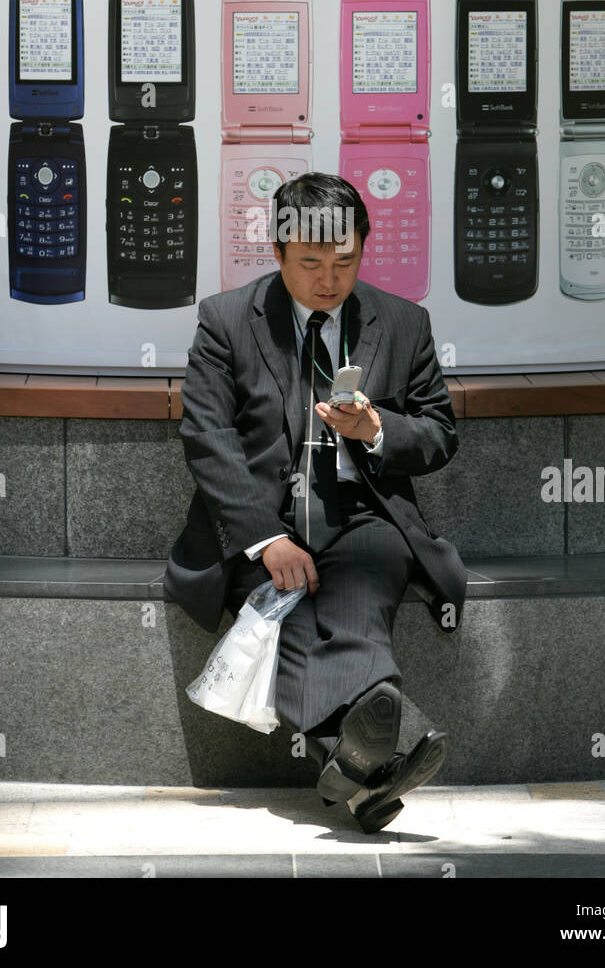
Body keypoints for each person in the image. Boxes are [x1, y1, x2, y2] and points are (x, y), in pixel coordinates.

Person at [164, 172, 466, 832]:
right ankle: (379, 745)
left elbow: (440, 433)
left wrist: (378, 429)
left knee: (358, 594)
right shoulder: (225, 321)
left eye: (344, 262)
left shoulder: (403, 322)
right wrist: (266, 539)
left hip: (363, 515)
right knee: (290, 608)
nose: (328, 280)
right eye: (308, 264)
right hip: (261, 522)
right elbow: (206, 436)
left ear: (363, 249)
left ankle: (357, 767)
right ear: (275, 253)